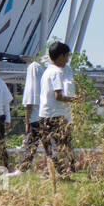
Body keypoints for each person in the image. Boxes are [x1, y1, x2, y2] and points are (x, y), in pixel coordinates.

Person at [38, 42, 81, 174]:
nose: (67, 60)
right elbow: (58, 96)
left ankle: (53, 172)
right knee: (62, 144)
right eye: (66, 56)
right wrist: (74, 100)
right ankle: (63, 172)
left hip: (44, 114)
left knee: (50, 147)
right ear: (61, 56)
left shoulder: (47, 72)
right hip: (56, 114)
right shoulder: (57, 73)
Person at [19, 57, 47, 168]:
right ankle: (57, 168)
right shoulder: (44, 86)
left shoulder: (30, 87)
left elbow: (28, 106)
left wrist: (27, 123)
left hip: (34, 121)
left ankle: (24, 167)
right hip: (45, 118)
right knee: (48, 146)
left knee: (31, 145)